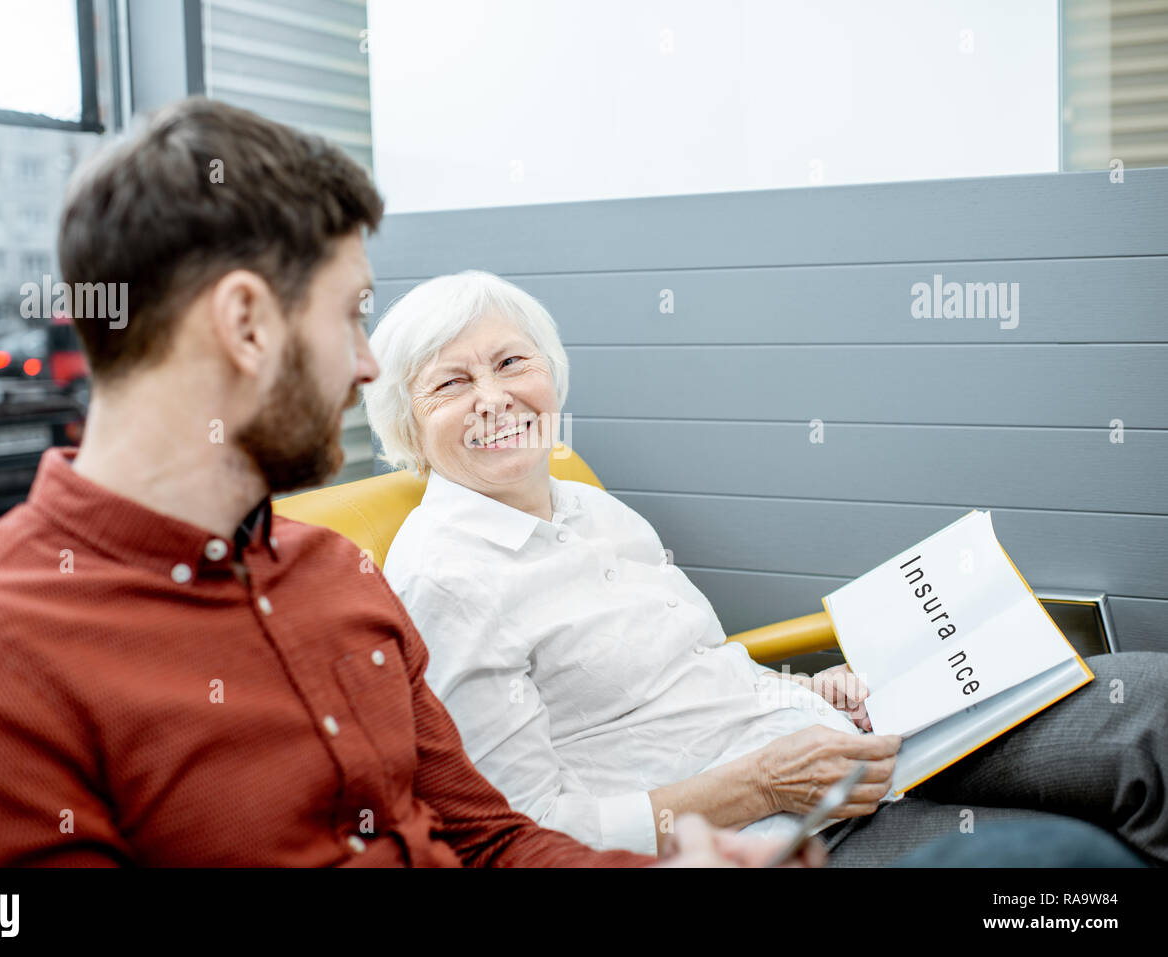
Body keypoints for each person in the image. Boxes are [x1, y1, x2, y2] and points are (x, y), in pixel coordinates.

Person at [0, 97, 813, 869]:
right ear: (246, 323)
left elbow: (490, 841)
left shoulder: (336, 576)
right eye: (353, 316)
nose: (369, 367)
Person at [364, 269, 1168, 866]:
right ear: (406, 421)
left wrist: (802, 690)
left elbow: (696, 668)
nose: (494, 397)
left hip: (846, 739)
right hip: (774, 830)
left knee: (1154, 707)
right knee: (1066, 875)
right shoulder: (445, 582)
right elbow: (525, 830)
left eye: (511, 363)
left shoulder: (589, 509)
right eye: (451, 383)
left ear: (551, 373)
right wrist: (765, 783)